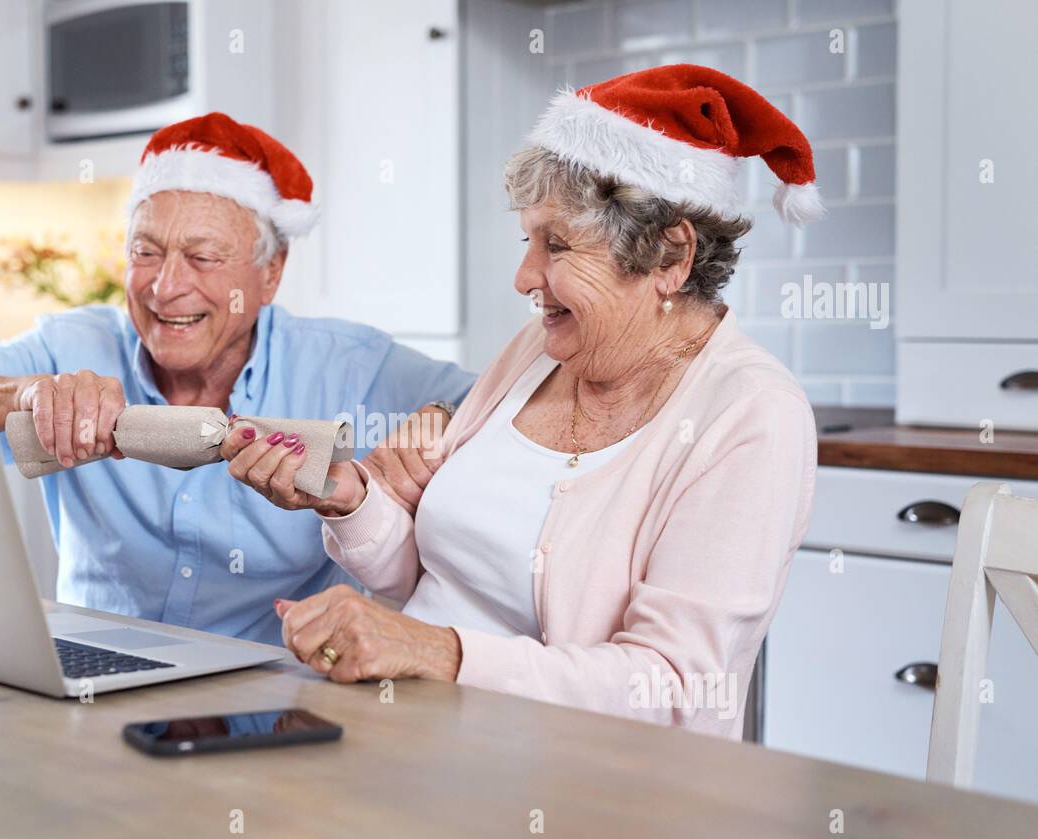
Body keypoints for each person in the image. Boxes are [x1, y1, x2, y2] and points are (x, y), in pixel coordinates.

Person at [223, 66, 820, 737]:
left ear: (670, 254)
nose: (523, 277)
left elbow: (674, 685)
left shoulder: (750, 413)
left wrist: (437, 652)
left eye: (557, 244)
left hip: (580, 791)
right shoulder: (539, 350)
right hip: (414, 739)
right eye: (527, 239)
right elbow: (422, 574)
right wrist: (350, 498)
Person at [0, 112, 474, 646]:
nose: (164, 286)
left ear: (271, 273)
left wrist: (440, 419)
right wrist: (22, 394)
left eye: (203, 258)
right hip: (96, 684)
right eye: (145, 252)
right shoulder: (72, 344)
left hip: (275, 695)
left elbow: (510, 400)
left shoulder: (349, 365)